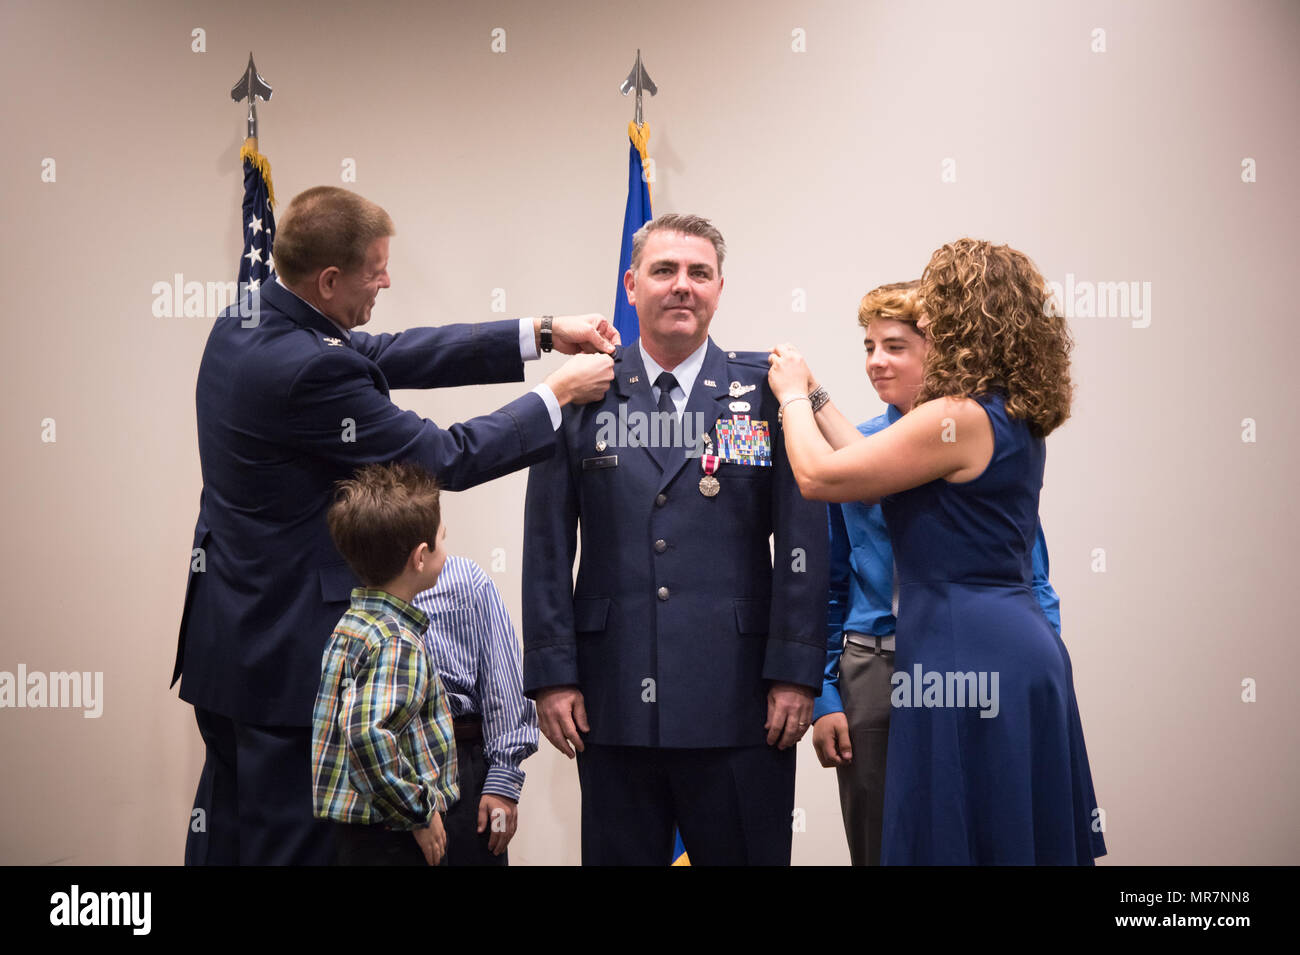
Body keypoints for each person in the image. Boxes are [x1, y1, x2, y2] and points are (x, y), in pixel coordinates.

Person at [174, 185, 617, 865]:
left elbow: (380, 351)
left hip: (230, 644)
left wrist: (539, 333)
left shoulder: (248, 315)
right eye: (375, 269)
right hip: (292, 663)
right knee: (291, 848)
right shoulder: (310, 369)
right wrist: (553, 394)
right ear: (329, 279)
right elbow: (445, 456)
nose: (386, 280)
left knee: (227, 836)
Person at [769, 238, 1106, 865]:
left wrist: (789, 395)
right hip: (1004, 642)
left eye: (936, 305)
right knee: (999, 834)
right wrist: (818, 396)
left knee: (956, 834)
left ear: (962, 316)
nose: (925, 318)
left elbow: (821, 476)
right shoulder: (1004, 413)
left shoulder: (956, 415)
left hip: (962, 646)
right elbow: (868, 466)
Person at [521, 213, 828, 866]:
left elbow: (804, 548)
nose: (681, 286)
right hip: (612, 696)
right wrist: (552, 676)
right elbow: (547, 548)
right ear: (631, 286)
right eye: (664, 271)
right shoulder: (583, 394)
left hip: (743, 701)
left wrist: (797, 674)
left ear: (719, 288)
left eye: (699, 273)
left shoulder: (767, 395)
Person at [816, 279, 1065, 866]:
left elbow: (1028, 572)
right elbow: (827, 581)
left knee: (990, 834)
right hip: (877, 668)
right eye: (869, 346)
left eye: (896, 346)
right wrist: (826, 693)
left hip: (972, 663)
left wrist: (1041, 672)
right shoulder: (854, 453)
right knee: (886, 844)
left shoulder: (983, 438)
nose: (877, 362)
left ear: (942, 349)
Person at [311, 462, 456, 866]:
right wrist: (419, 811)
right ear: (421, 556)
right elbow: (364, 733)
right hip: (391, 836)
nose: (447, 548)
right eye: (443, 540)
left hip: (362, 834)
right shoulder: (396, 641)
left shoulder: (352, 624)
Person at [413, 554, 539, 865]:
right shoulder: (353, 586)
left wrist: (504, 780)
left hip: (464, 767)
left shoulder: (466, 580)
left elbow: (502, 678)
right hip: (387, 775)